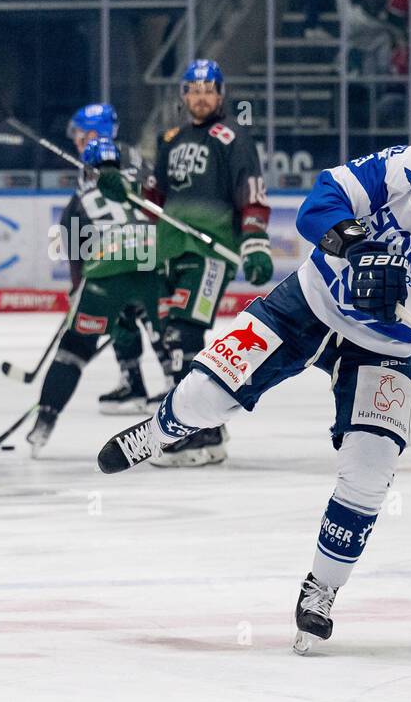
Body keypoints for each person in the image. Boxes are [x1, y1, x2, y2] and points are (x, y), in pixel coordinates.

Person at [96, 124, 411, 652]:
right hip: (308, 303)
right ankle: (161, 432)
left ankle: (322, 589)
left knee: (370, 471)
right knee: (203, 397)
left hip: (386, 347)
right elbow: (320, 202)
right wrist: (359, 247)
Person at [99, 60, 273, 466]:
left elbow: (251, 191)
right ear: (183, 96)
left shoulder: (233, 137)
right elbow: (155, 198)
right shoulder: (171, 139)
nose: (201, 97)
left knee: (183, 334)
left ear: (221, 95)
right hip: (170, 250)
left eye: (209, 90)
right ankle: (207, 426)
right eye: (194, 91)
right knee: (170, 336)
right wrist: (124, 189)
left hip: (210, 252)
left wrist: (255, 242)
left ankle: (195, 431)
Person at [25, 137, 160, 456]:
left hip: (105, 276)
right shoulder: (139, 190)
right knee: (173, 343)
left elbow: (75, 253)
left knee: (73, 350)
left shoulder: (80, 199)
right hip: (150, 268)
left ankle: (44, 422)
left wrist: (78, 291)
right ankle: (194, 421)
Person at [64, 103, 168, 416]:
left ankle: (171, 379)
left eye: (80, 134)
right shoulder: (108, 158)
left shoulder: (117, 159)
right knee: (123, 314)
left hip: (144, 252)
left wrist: (79, 282)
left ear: (95, 134)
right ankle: (133, 382)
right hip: (125, 254)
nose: (76, 140)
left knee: (149, 313)